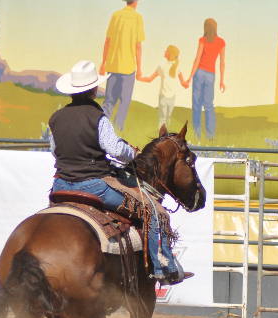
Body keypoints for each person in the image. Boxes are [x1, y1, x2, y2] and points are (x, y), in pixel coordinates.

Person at [49, 60, 188, 285]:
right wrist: (131, 153)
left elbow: (55, 151)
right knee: (153, 209)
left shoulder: (56, 118)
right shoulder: (98, 117)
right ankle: (164, 267)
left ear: (72, 91)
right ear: (94, 89)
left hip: (61, 185)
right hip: (94, 186)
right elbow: (115, 150)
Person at [99, 0, 145, 132]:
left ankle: (101, 129)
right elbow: (138, 46)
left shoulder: (115, 15)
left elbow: (107, 41)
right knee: (124, 102)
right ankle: (118, 129)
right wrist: (139, 68)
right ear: (135, 2)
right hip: (128, 67)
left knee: (109, 101)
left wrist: (103, 63)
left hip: (113, 65)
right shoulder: (137, 18)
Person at [182, 18, 226, 141]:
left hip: (199, 73)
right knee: (209, 105)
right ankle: (210, 136)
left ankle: (196, 135)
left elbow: (197, 60)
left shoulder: (203, 40)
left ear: (206, 27)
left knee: (196, 104)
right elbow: (222, 63)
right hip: (211, 75)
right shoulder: (221, 42)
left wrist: (190, 78)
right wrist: (222, 81)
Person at [137, 45, 186, 130]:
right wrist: (188, 83)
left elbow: (149, 79)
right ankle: (167, 135)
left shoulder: (162, 66)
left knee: (162, 119)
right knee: (168, 118)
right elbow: (183, 83)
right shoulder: (178, 66)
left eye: (166, 50)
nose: (165, 51)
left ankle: (161, 135)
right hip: (172, 96)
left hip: (163, 96)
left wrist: (139, 78)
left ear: (170, 54)